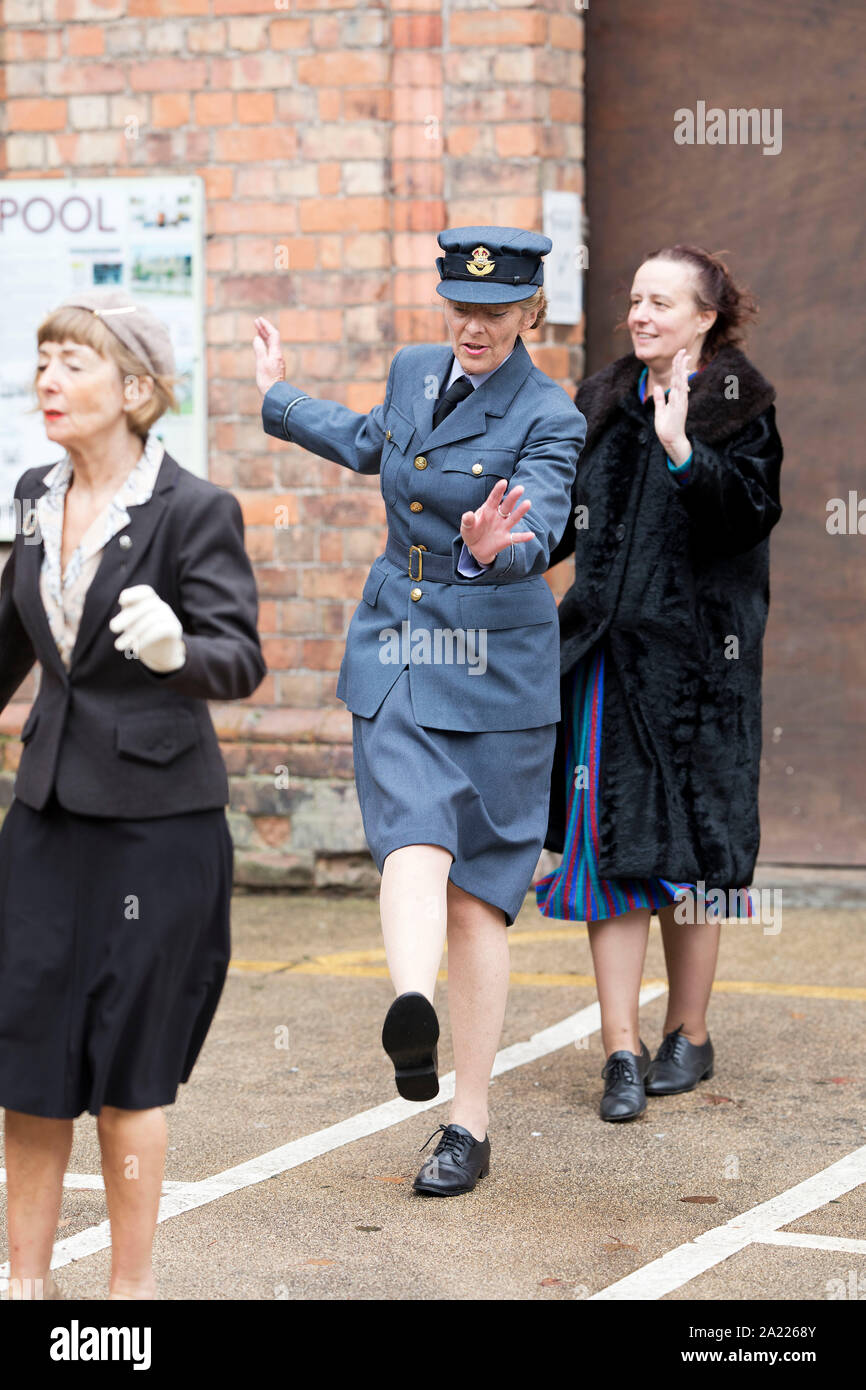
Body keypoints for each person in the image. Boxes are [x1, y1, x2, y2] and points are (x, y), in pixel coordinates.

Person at [256, 226, 585, 1195]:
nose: (470, 327)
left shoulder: (550, 414)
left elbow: (545, 527)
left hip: (494, 664)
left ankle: (467, 1122)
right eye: (458, 307)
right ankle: (410, 1009)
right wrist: (279, 396)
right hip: (397, 644)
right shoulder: (412, 368)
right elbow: (369, 442)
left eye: (491, 312)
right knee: (408, 833)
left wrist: (490, 546)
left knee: (477, 895)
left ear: (529, 313)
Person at [0, 288, 266, 1299]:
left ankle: (129, 1296)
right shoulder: (32, 494)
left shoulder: (193, 509)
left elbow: (239, 658)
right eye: (43, 360)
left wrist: (178, 649)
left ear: (137, 388)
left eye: (73, 361)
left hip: (159, 832)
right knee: (26, 1059)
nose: (49, 379)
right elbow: (8, 641)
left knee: (128, 1069)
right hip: (46, 822)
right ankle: (25, 1285)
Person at [536, 245, 783, 1121]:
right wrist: (504, 549)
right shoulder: (602, 400)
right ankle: (619, 1050)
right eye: (635, 300)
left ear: (706, 316)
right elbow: (565, 523)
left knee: (700, 854)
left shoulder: (739, 406)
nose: (640, 315)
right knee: (609, 852)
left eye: (661, 303)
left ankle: (689, 1031)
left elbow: (749, 515)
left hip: (702, 671)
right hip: (608, 659)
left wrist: (684, 451)